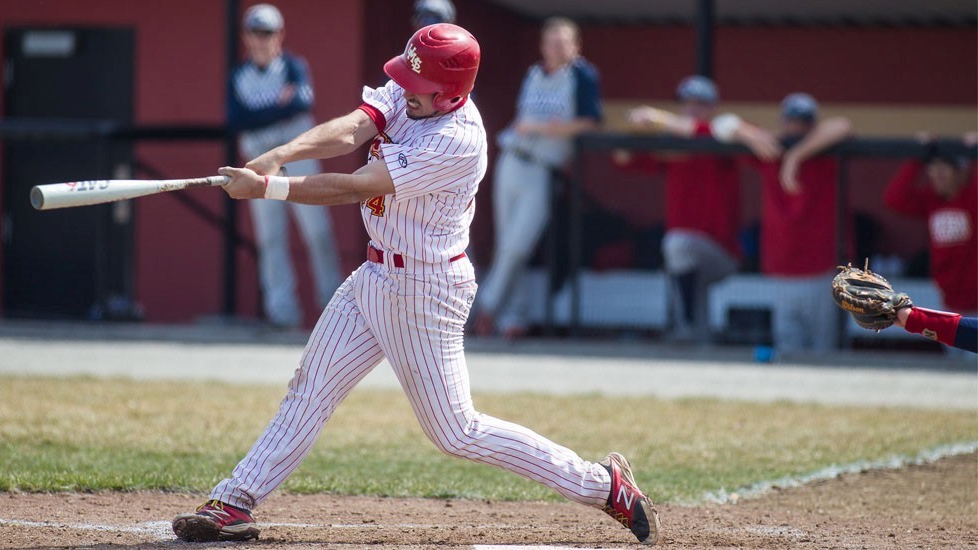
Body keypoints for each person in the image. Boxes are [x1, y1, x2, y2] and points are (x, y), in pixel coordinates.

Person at [172, 24, 659, 545]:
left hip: (424, 290)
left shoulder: (456, 140)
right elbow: (354, 128)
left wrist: (268, 188)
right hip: (376, 274)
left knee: (457, 432)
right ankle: (234, 501)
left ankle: (603, 486)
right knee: (310, 389)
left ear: (452, 91)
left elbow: (357, 187)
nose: (405, 89)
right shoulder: (416, 93)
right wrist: (279, 153)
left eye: (416, 83)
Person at [615, 76, 779, 343]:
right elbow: (624, 159)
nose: (692, 109)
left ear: (712, 107)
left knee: (677, 245)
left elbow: (710, 130)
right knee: (681, 263)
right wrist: (632, 129)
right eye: (687, 103)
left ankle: (685, 329)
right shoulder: (673, 144)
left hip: (721, 251)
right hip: (689, 256)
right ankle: (697, 347)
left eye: (699, 104)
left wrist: (657, 117)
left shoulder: (718, 135)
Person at [473, 17, 602, 338]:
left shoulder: (582, 75)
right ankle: (513, 318)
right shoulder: (533, 73)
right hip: (512, 159)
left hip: (545, 166)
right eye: (551, 42)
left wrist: (546, 128)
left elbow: (592, 122)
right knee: (506, 243)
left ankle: (485, 306)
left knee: (518, 245)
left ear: (576, 46)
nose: (556, 48)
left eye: (563, 43)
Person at [229, 3, 341, 327]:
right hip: (260, 163)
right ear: (245, 36)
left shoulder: (293, 66)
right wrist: (279, 108)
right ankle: (282, 313)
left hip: (297, 158)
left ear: (279, 35)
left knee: (318, 232)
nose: (261, 39)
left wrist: (259, 114)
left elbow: (302, 102)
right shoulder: (238, 75)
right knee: (271, 239)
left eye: (267, 32)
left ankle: (333, 309)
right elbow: (236, 119)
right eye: (255, 32)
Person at [743, 93, 854, 353]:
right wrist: (750, 135)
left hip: (822, 270)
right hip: (782, 270)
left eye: (804, 122)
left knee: (825, 351)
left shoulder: (825, 152)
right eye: (792, 121)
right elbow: (725, 125)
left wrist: (796, 157)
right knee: (788, 350)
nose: (797, 127)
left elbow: (843, 126)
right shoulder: (771, 150)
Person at [883, 136, 977, 321]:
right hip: (948, 302)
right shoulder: (930, 199)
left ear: (961, 171)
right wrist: (916, 158)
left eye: (945, 167)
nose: (937, 173)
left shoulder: (973, 197)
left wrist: (973, 153)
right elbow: (894, 197)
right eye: (933, 167)